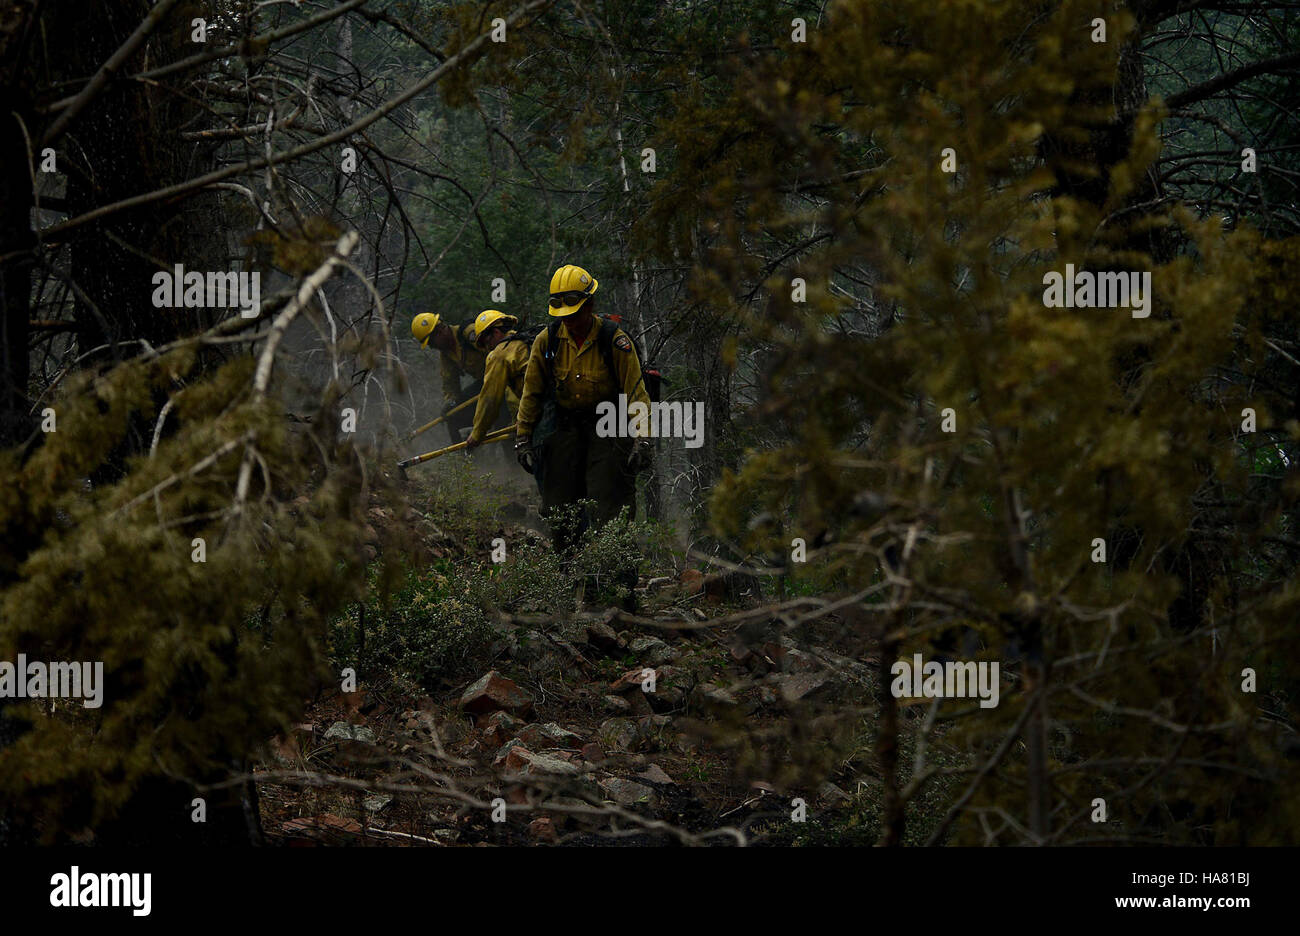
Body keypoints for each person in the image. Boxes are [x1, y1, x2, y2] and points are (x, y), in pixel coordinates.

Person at [513, 264, 652, 562]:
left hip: (607, 427)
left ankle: (620, 582)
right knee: (559, 507)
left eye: (575, 314)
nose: (570, 322)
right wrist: (523, 437)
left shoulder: (615, 341)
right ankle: (570, 577)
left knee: (611, 505)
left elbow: (636, 393)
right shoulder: (546, 341)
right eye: (563, 316)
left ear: (590, 305)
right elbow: (531, 393)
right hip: (565, 427)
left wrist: (643, 438)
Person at [410, 313, 487, 444]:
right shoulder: (446, 354)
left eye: (431, 342)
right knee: (453, 418)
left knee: (502, 417)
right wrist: (452, 403)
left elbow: (500, 350)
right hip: (486, 384)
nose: (432, 347)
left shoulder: (468, 333)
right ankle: (464, 462)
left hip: (506, 377)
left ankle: (513, 459)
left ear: (440, 331)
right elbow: (450, 383)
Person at [465, 309, 529, 451]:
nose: (487, 348)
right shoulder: (525, 342)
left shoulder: (500, 354)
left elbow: (490, 399)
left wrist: (477, 434)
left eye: (485, 342)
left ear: (496, 332)